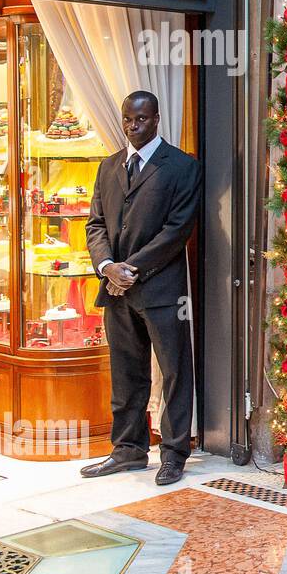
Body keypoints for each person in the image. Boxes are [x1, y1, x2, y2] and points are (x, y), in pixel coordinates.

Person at [82, 91, 202, 485]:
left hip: (162, 291)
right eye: (128, 120)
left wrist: (130, 269)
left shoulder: (183, 167)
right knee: (127, 374)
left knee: (174, 372)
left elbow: (177, 230)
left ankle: (174, 453)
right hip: (116, 292)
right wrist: (106, 268)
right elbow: (95, 225)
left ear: (157, 119)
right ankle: (129, 451)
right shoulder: (108, 166)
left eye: (141, 120)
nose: (133, 127)